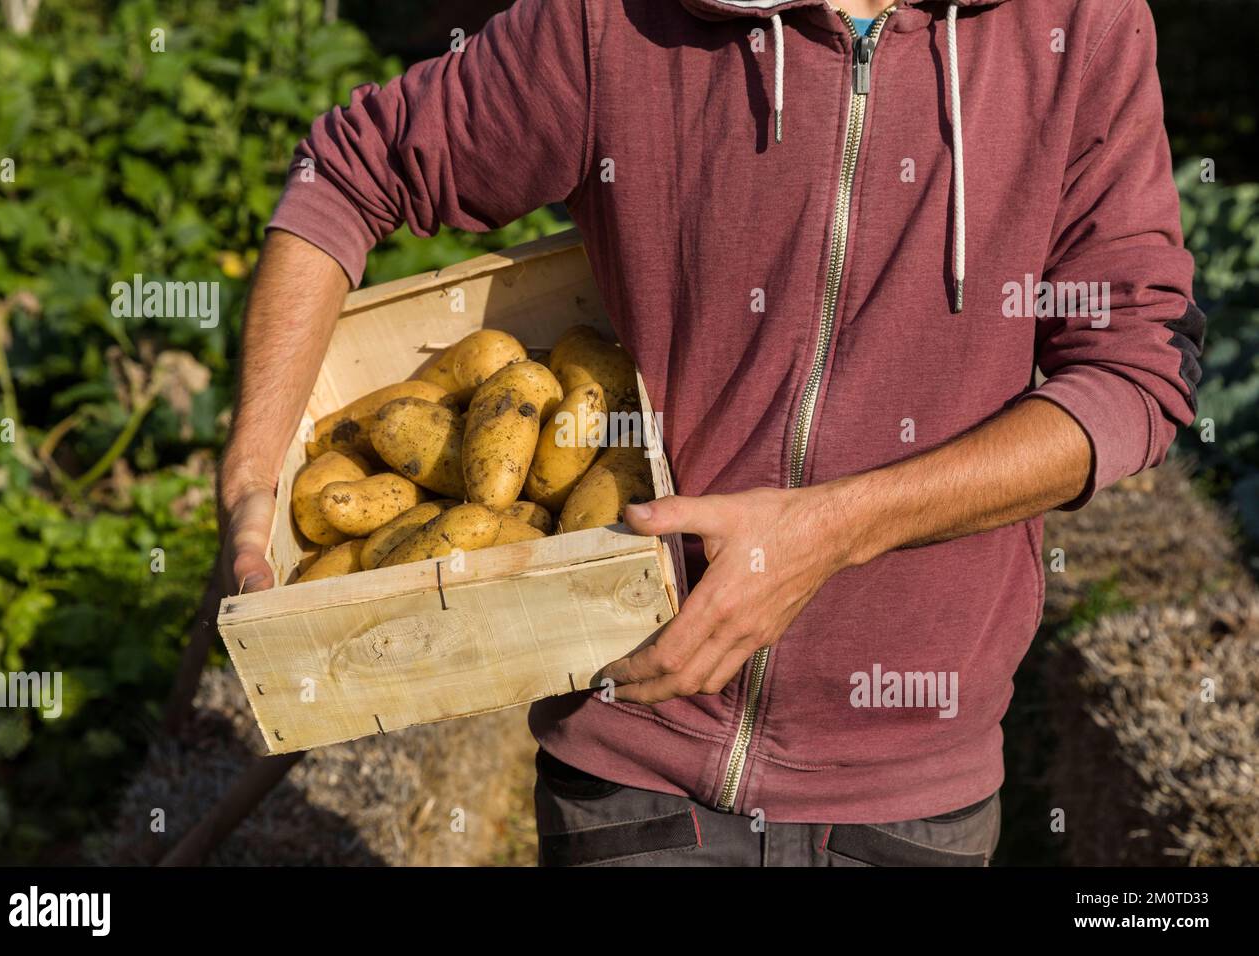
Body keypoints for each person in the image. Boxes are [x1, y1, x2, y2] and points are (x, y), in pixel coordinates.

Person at [219, 0, 1203, 866]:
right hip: (631, 765)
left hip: (912, 792)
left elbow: (1134, 373)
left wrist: (829, 530)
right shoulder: (614, 19)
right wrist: (254, 471)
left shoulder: (1082, 26)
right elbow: (344, 175)